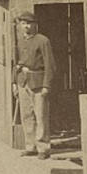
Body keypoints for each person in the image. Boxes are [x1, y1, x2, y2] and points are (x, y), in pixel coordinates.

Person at [14, 11, 55, 158]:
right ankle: (30, 146)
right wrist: (14, 82)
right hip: (23, 81)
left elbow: (50, 65)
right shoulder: (20, 41)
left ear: (35, 25)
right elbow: (17, 63)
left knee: (41, 115)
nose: (26, 26)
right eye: (23, 23)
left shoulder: (42, 41)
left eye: (29, 23)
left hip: (38, 82)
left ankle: (43, 148)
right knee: (26, 115)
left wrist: (46, 85)